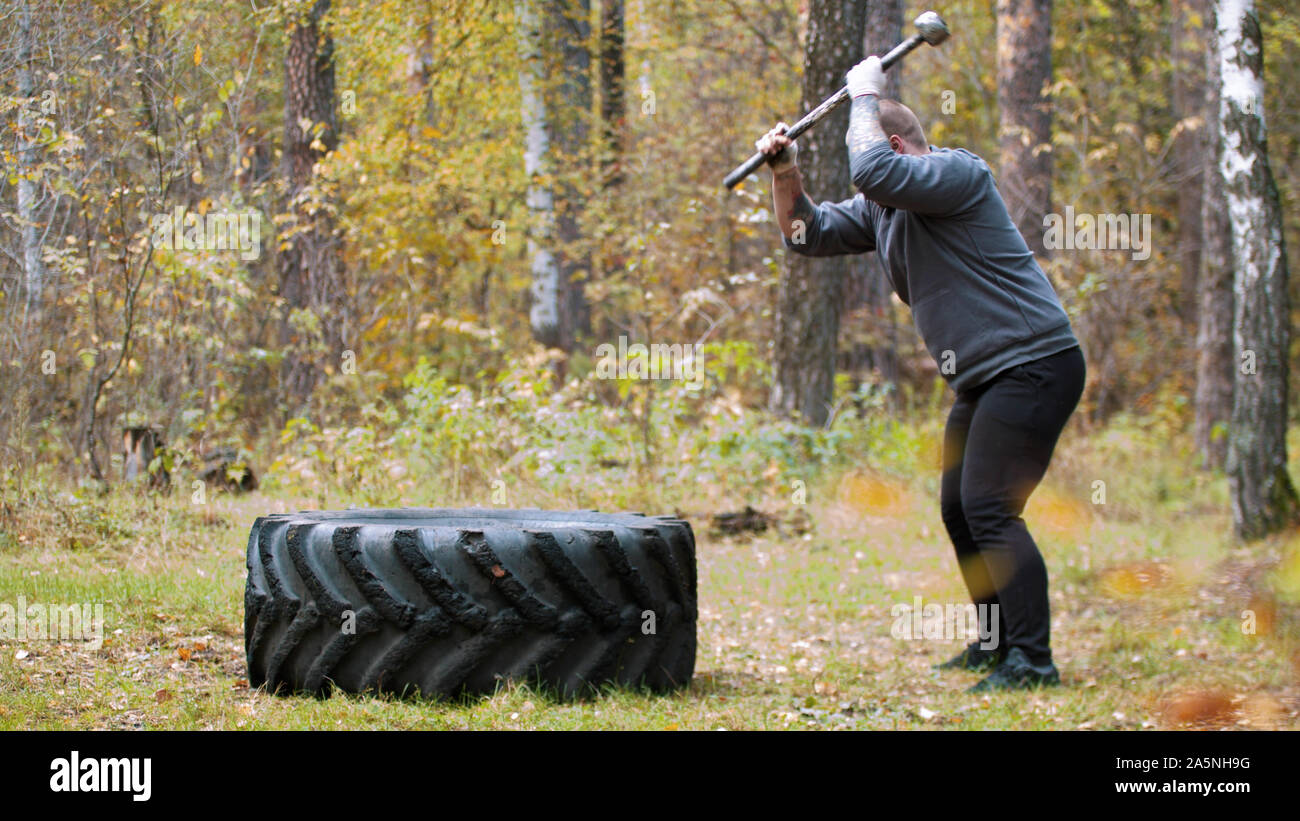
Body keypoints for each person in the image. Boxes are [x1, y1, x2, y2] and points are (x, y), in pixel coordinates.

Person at [756, 55, 1086, 692]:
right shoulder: (885, 212)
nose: (868, 176)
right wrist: (784, 171)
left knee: (990, 508)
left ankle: (1033, 663)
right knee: (960, 510)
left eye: (876, 147)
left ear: (897, 145)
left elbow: (872, 169)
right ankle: (996, 644)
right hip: (989, 378)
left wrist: (863, 96)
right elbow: (807, 233)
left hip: (1035, 362)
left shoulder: (959, 174)